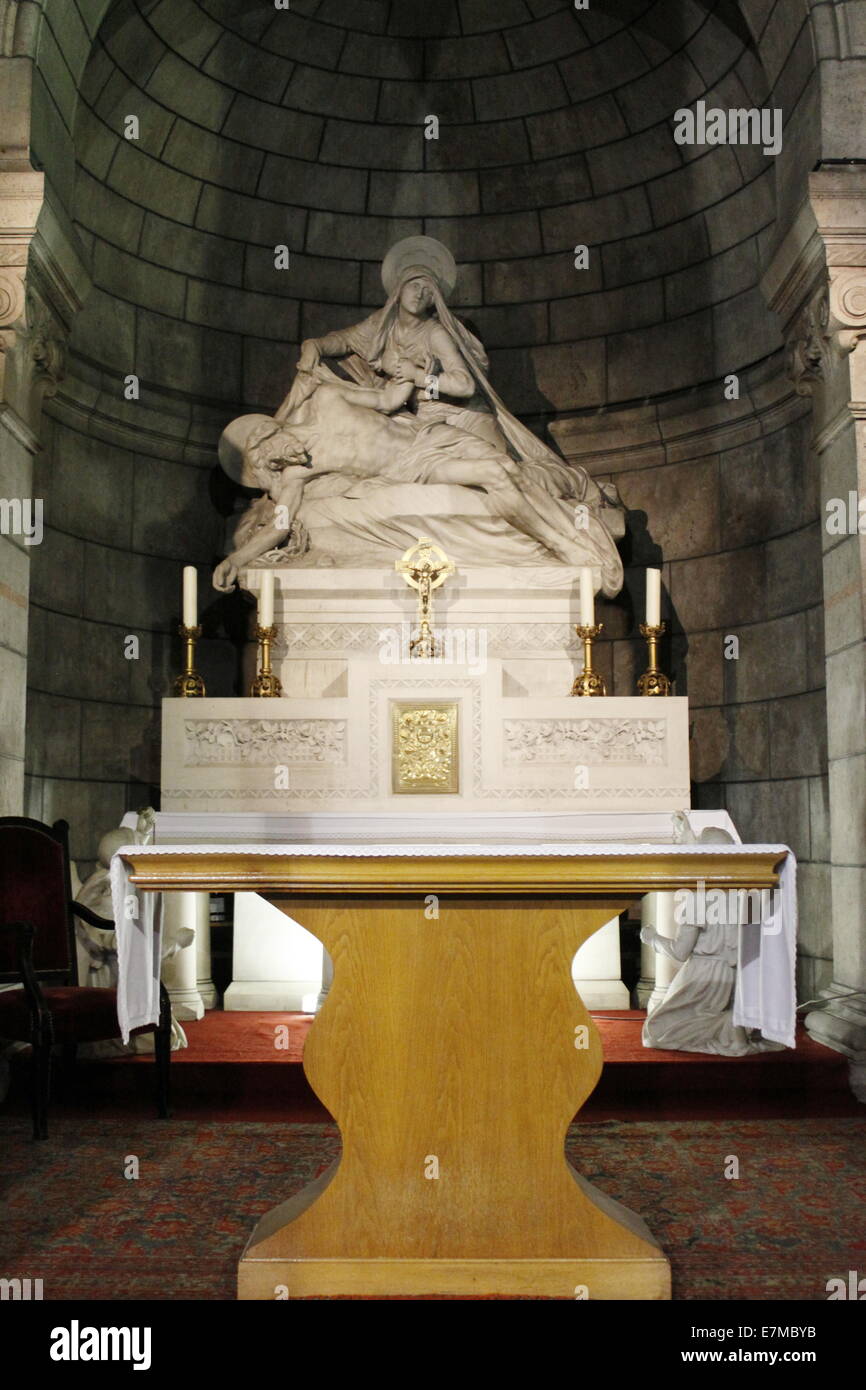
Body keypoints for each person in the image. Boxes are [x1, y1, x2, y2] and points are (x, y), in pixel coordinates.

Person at [214, 237, 625, 590]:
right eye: (270, 466)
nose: (281, 458)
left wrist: (409, 376)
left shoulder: (328, 400)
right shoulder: (297, 475)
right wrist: (238, 558)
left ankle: (572, 527)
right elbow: (280, 524)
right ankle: (565, 544)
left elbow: (390, 402)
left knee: (506, 469)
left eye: (270, 446)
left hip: (429, 438)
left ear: (271, 430)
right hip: (410, 469)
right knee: (495, 474)